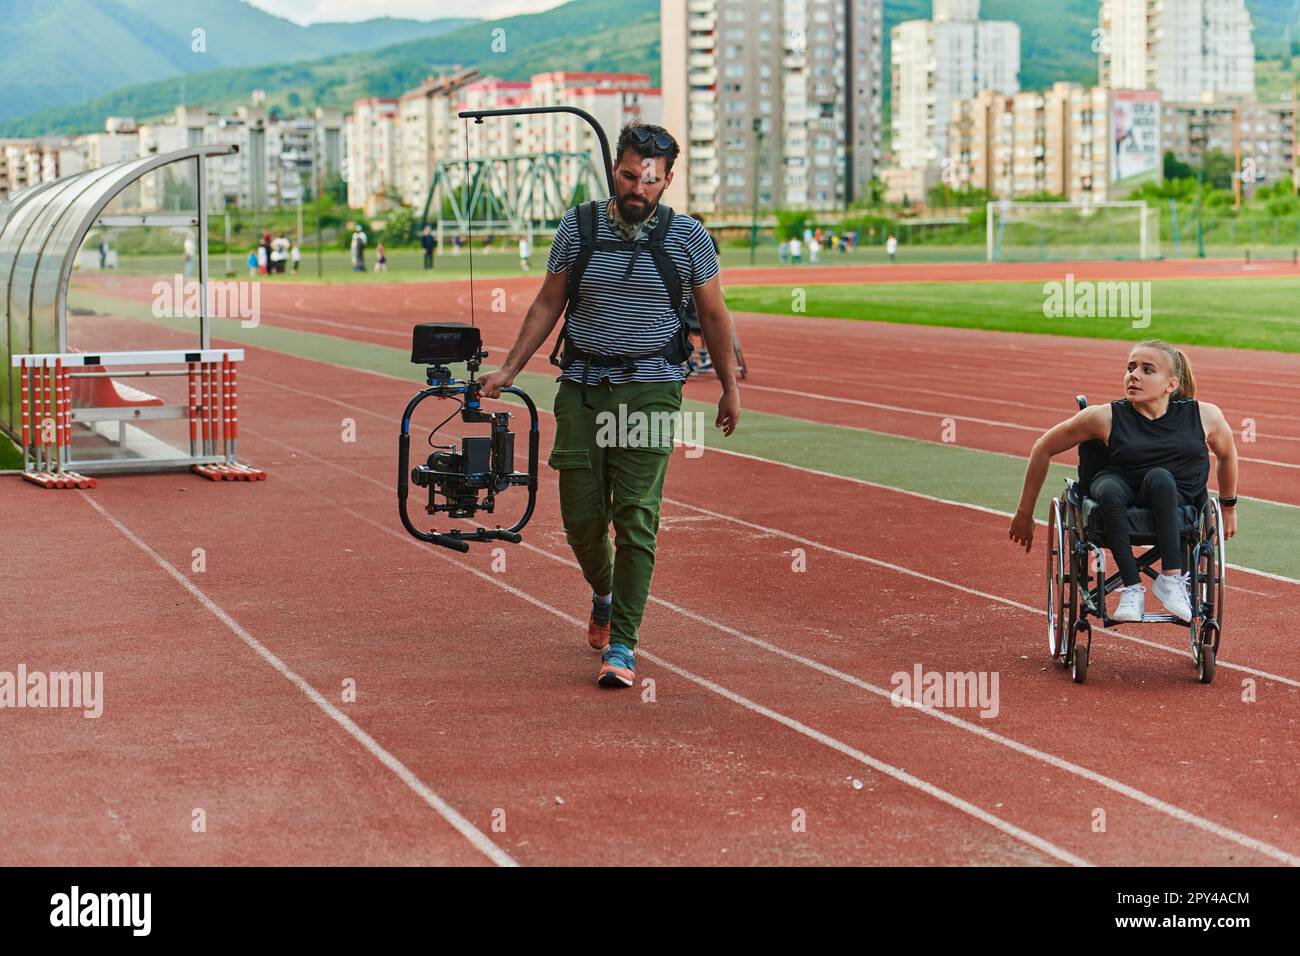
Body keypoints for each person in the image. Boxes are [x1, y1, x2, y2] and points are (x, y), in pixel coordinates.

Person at [476, 121, 742, 689]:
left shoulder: (689, 238)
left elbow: (715, 316)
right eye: (628, 175)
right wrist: (509, 367)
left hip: (650, 391)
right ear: (614, 171)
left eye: (650, 179)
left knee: (637, 517)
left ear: (667, 180)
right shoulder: (578, 227)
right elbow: (549, 303)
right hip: (582, 388)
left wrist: (729, 386)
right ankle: (604, 592)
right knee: (580, 518)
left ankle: (623, 642)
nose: (637, 189)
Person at [1008, 340, 1239, 624]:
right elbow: (1043, 447)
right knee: (1108, 488)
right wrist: (1024, 513)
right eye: (1130, 368)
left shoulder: (1204, 415)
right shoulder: (1104, 416)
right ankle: (1131, 588)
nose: (1134, 375)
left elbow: (1227, 455)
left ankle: (1171, 579)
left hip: (1173, 496)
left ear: (1170, 384)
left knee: (1161, 478)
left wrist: (1228, 506)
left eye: (1147, 370)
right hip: (1120, 490)